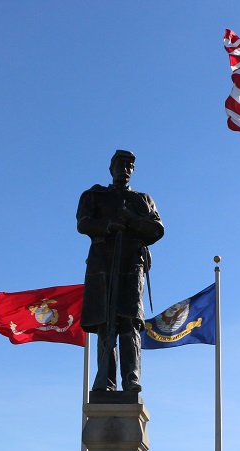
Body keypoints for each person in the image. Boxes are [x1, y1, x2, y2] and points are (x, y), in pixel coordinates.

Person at [77, 150, 164, 392]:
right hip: (102, 265)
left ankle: (131, 379)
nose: (124, 169)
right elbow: (83, 223)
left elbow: (157, 229)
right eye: (120, 165)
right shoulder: (95, 196)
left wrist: (131, 219)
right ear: (111, 168)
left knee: (130, 322)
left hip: (131, 265)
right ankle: (106, 382)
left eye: (129, 166)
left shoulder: (142, 200)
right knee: (105, 325)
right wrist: (108, 226)